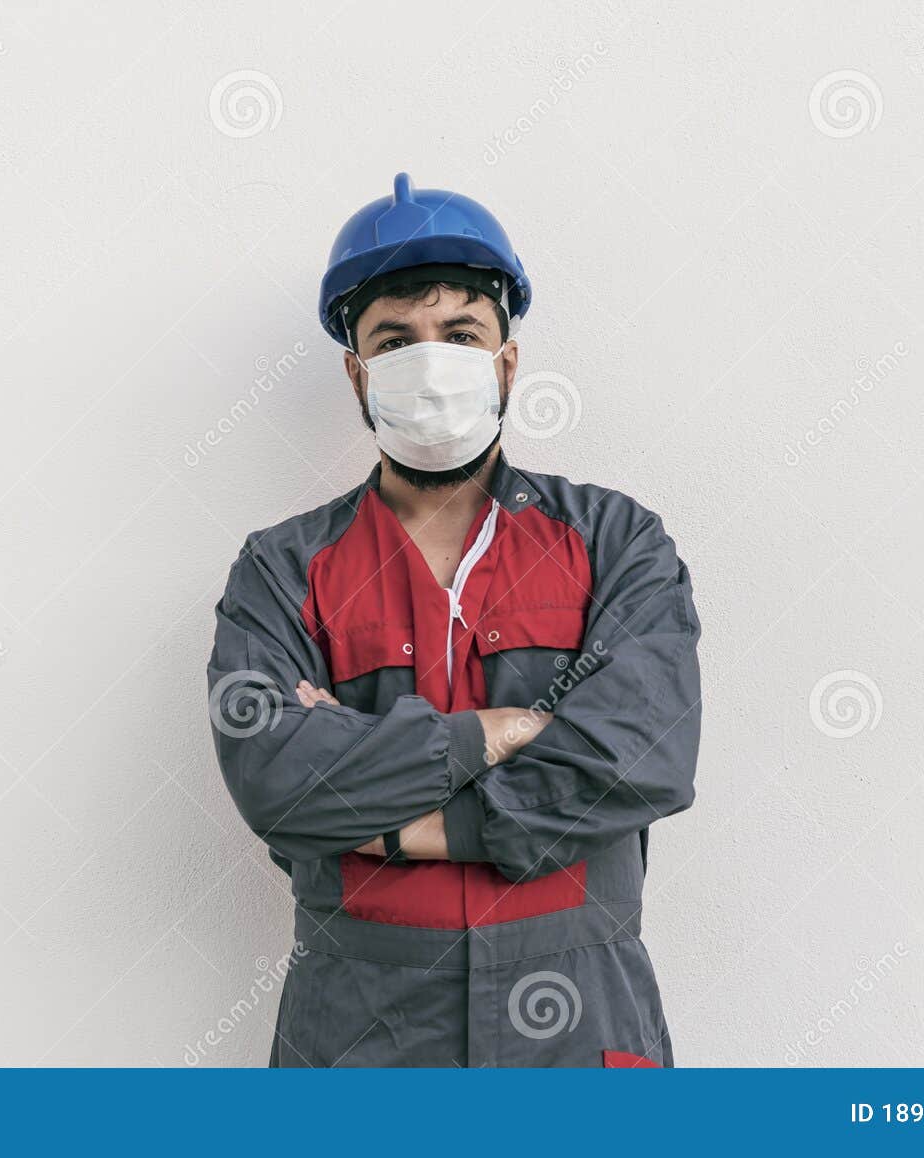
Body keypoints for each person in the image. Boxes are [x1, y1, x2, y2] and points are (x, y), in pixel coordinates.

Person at [206, 173, 702, 1067]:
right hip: (360, 1040)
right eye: (395, 341)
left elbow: (643, 756)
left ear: (506, 362)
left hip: (582, 1036)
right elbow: (276, 784)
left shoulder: (617, 540)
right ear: (358, 376)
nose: (429, 363)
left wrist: (398, 821)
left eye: (460, 334)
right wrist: (502, 732)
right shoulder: (281, 571)